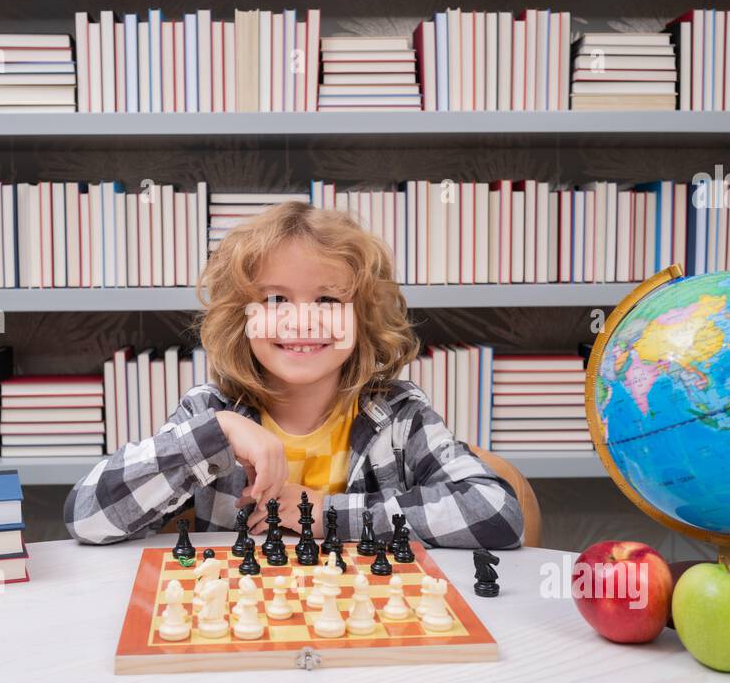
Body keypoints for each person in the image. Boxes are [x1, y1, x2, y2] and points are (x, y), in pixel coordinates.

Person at [64, 200, 523, 550]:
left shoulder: (401, 416)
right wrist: (214, 435)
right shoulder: (211, 412)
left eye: (328, 301)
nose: (302, 321)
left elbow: (498, 514)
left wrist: (328, 515)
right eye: (276, 300)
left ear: (363, 319)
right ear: (240, 318)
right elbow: (86, 518)